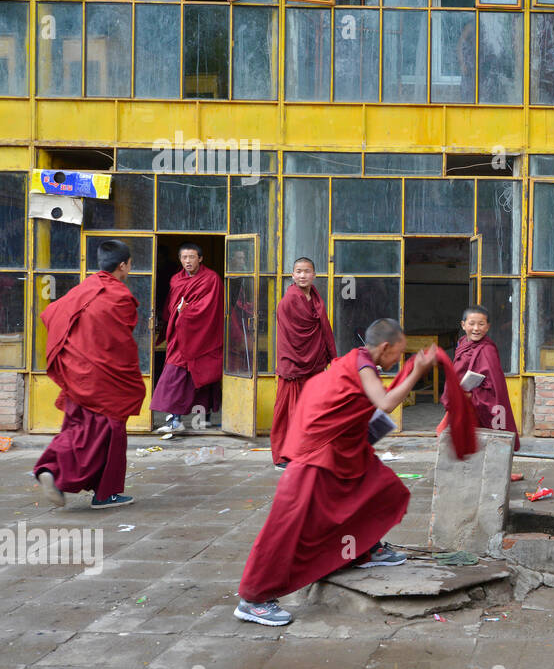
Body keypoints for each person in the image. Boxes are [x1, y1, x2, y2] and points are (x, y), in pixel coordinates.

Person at [236, 319, 477, 626]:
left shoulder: (356, 361)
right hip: (316, 455)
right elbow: (385, 402)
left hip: (343, 451)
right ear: (385, 347)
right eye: (398, 355)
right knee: (287, 527)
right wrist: (417, 371)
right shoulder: (362, 366)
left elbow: (358, 408)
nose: (398, 362)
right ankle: (253, 598)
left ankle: (362, 547)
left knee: (385, 490)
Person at [33, 239, 145, 510]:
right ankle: (103, 493)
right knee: (107, 433)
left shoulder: (83, 289)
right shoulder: (119, 296)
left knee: (77, 426)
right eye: (129, 264)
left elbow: (51, 314)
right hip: (106, 379)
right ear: (123, 265)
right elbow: (121, 341)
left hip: (79, 373)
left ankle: (50, 467)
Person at [151, 242, 223, 433]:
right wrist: (177, 314)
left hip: (203, 335)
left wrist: (187, 311)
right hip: (179, 336)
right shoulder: (176, 279)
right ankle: (175, 420)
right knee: (174, 374)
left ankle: (202, 417)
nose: (188, 261)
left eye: (192, 257)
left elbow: (211, 307)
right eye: (184, 257)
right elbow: (170, 306)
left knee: (202, 375)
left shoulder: (211, 279)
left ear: (200, 258)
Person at [271, 257, 335, 468]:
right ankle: (283, 455)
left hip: (314, 364)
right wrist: (293, 361)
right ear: (292, 275)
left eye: (307, 271)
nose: (302, 275)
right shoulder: (289, 300)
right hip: (294, 365)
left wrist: (330, 356)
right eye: (298, 271)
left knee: (312, 411)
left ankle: (307, 452)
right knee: (288, 413)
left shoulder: (316, 298)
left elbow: (324, 329)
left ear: (314, 275)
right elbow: (287, 336)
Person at [440, 304, 519, 450]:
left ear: (488, 327)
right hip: (459, 401)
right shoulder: (463, 344)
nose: (476, 328)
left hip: (477, 404)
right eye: (472, 324)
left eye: (481, 324)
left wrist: (473, 395)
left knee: (479, 441)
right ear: (463, 325)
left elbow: (494, 385)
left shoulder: (488, 349)